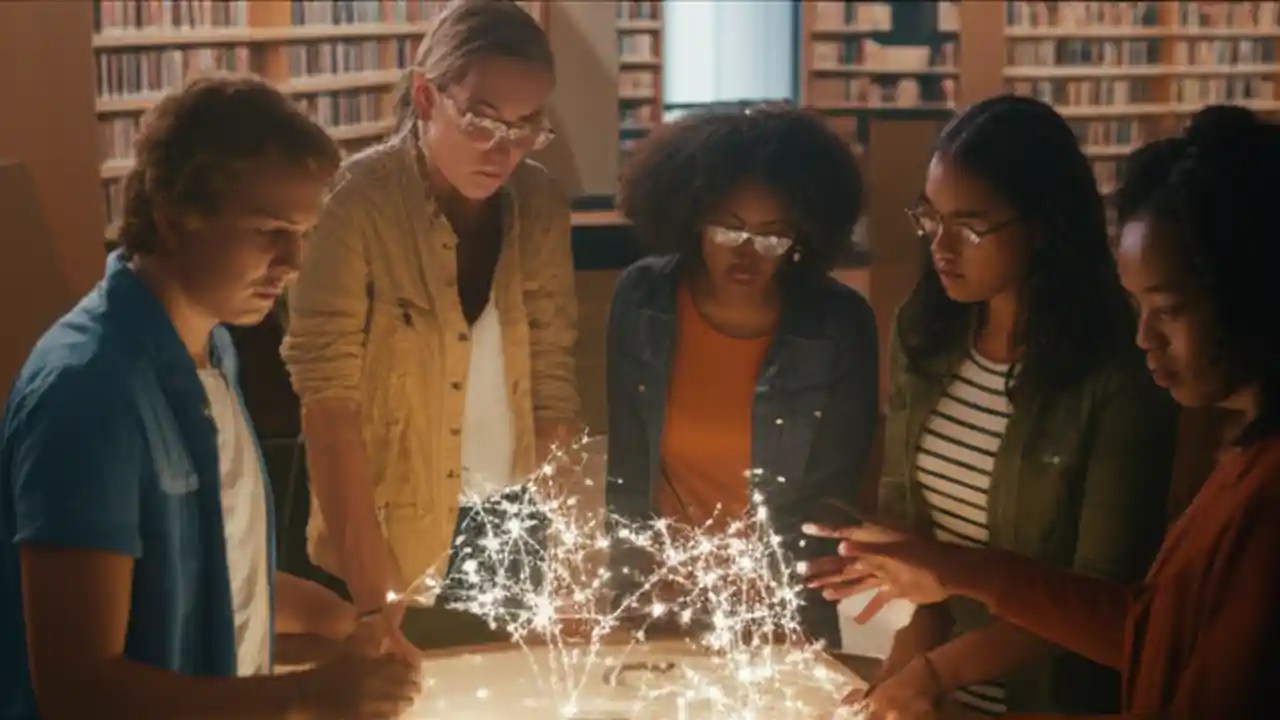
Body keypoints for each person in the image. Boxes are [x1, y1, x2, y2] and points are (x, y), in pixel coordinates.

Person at [807, 105, 1280, 719]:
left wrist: (939, 635)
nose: (941, 246)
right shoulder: (925, 331)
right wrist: (909, 668)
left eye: (971, 226)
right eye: (931, 217)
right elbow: (1151, 627)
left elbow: (1120, 608)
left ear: (1044, 227)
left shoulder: (1126, 381)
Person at [0, 75, 420, 720]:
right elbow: (78, 688)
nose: (294, 262)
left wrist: (348, 621)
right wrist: (307, 698)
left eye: (304, 232)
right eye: (270, 230)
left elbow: (209, 575)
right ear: (175, 214)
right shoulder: (89, 392)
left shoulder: (213, 350)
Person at [280, 0, 579, 644]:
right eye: (482, 119)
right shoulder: (353, 203)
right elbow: (328, 404)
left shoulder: (540, 202)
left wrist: (570, 560)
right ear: (425, 96)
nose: (504, 149)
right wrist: (374, 592)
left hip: (510, 521)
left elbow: (554, 379)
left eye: (527, 126)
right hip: (385, 529)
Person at [605, 105, 878, 647]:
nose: (747, 253)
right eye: (729, 227)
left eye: (773, 236)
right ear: (692, 216)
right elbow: (628, 467)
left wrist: (786, 617)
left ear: (802, 237)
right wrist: (631, 594)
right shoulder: (643, 299)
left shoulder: (839, 325)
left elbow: (833, 495)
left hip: (780, 607)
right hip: (658, 597)